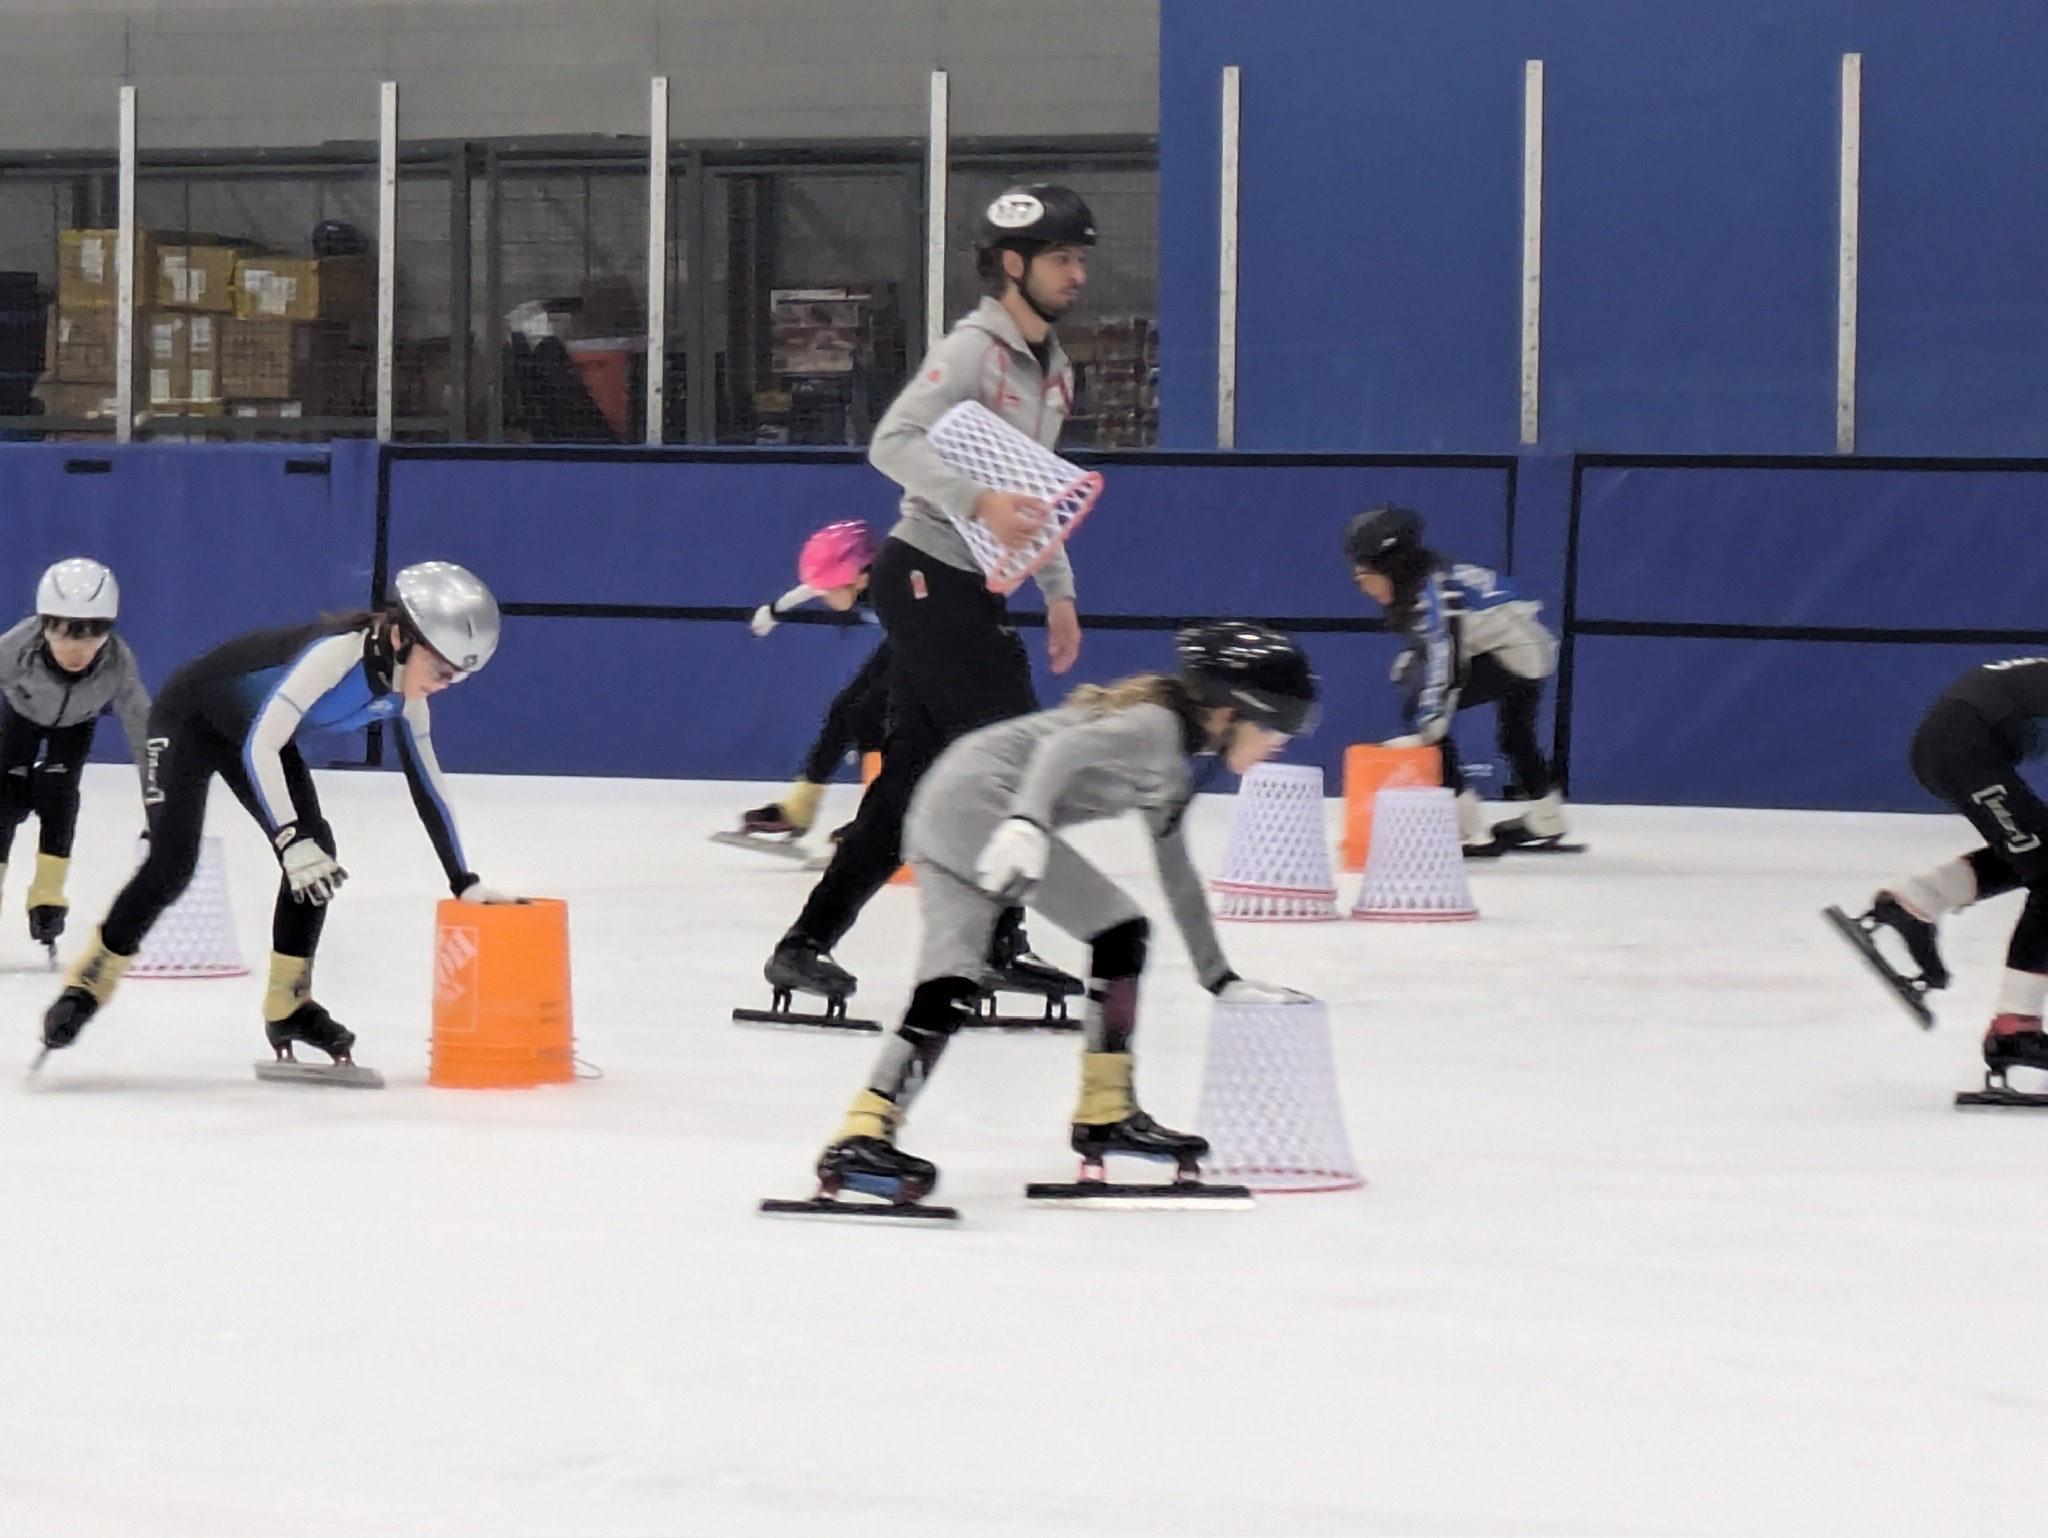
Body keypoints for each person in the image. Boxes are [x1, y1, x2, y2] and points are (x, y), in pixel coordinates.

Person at [807, 621, 1320, 1209]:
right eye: (1277, 727)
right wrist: (1026, 821)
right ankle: (1106, 1111)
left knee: (950, 981)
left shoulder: (1173, 760)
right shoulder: (1155, 728)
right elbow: (1061, 750)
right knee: (1119, 930)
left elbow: (1176, 872)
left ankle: (864, 1132)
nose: (1281, 742)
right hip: (983, 804)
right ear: (1232, 713)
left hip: (949, 800)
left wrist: (1219, 977)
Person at [758, 184, 1097, 1015]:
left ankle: (803, 946)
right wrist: (975, 503)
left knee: (908, 783)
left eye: (1082, 258)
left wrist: (1059, 592)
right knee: (1017, 753)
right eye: (1063, 259)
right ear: (1013, 265)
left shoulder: (1053, 372)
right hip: (924, 572)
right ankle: (999, 943)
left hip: (974, 585)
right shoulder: (974, 349)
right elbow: (892, 442)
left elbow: (1036, 493)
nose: (1078, 275)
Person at [37, 562, 518, 1075]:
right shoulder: (338, 653)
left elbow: (428, 782)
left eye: (461, 676)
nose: (448, 684)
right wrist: (290, 841)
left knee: (319, 862)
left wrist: (463, 880)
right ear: (401, 636)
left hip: (257, 732)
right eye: (443, 669)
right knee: (173, 861)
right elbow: (264, 745)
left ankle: (289, 1004)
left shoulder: (407, 691)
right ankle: (87, 985)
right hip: (190, 722)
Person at [1828, 657, 2048, 1095]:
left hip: (1956, 745)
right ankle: (2014, 1028)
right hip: (1965, 747)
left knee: (2035, 852)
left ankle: (1915, 903)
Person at [1343, 503, 1573, 855]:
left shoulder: (1436, 592)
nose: (1361, 587)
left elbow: (1445, 657)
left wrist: (1428, 725)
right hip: (1528, 645)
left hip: (1513, 652)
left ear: (1389, 566)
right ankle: (1546, 817)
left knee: (1421, 709)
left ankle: (1462, 823)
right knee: (1515, 737)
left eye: (1363, 577)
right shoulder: (1438, 575)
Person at [0, 558, 152, 960]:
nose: (76, 648)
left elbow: (145, 740)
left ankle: (48, 894)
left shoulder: (119, 665)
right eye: (62, 630)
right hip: (18, 717)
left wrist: (161, 813)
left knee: (60, 794)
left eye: (94, 632)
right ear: (43, 623)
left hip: (75, 726)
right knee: (3, 801)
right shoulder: (16, 647)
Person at [719, 521, 890, 857]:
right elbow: (811, 586)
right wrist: (776, 609)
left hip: (942, 650)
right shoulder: (858, 577)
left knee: (878, 720)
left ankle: (885, 820)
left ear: (859, 576)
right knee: (845, 711)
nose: (823, 596)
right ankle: (800, 809)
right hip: (906, 642)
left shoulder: (895, 586)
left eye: (829, 588)